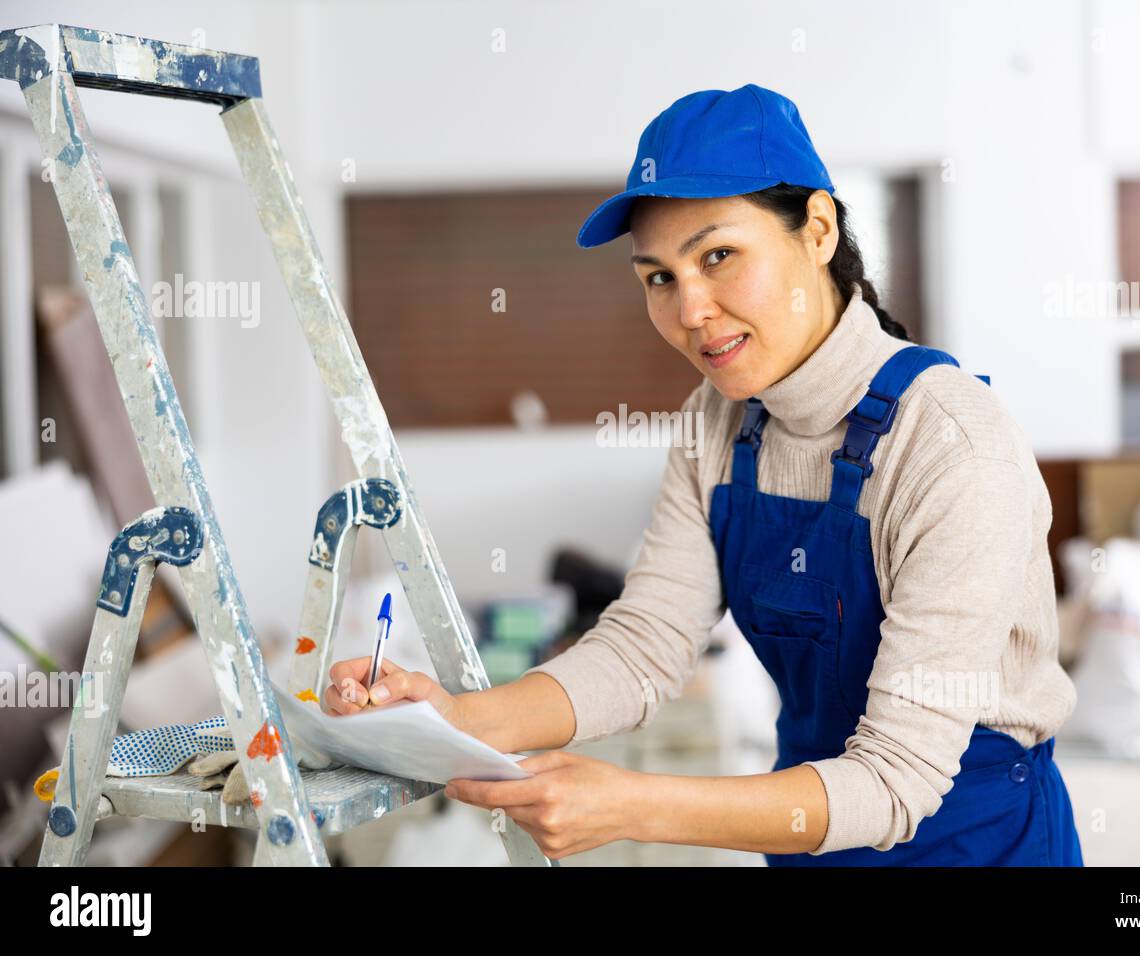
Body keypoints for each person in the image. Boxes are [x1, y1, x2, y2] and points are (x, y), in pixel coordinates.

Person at [324, 83, 1084, 866]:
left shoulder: (952, 447)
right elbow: (644, 645)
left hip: (976, 842)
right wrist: (453, 718)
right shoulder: (719, 423)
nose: (689, 310)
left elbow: (894, 781)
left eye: (718, 257)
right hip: (815, 837)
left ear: (818, 230)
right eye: (658, 277)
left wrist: (631, 805)